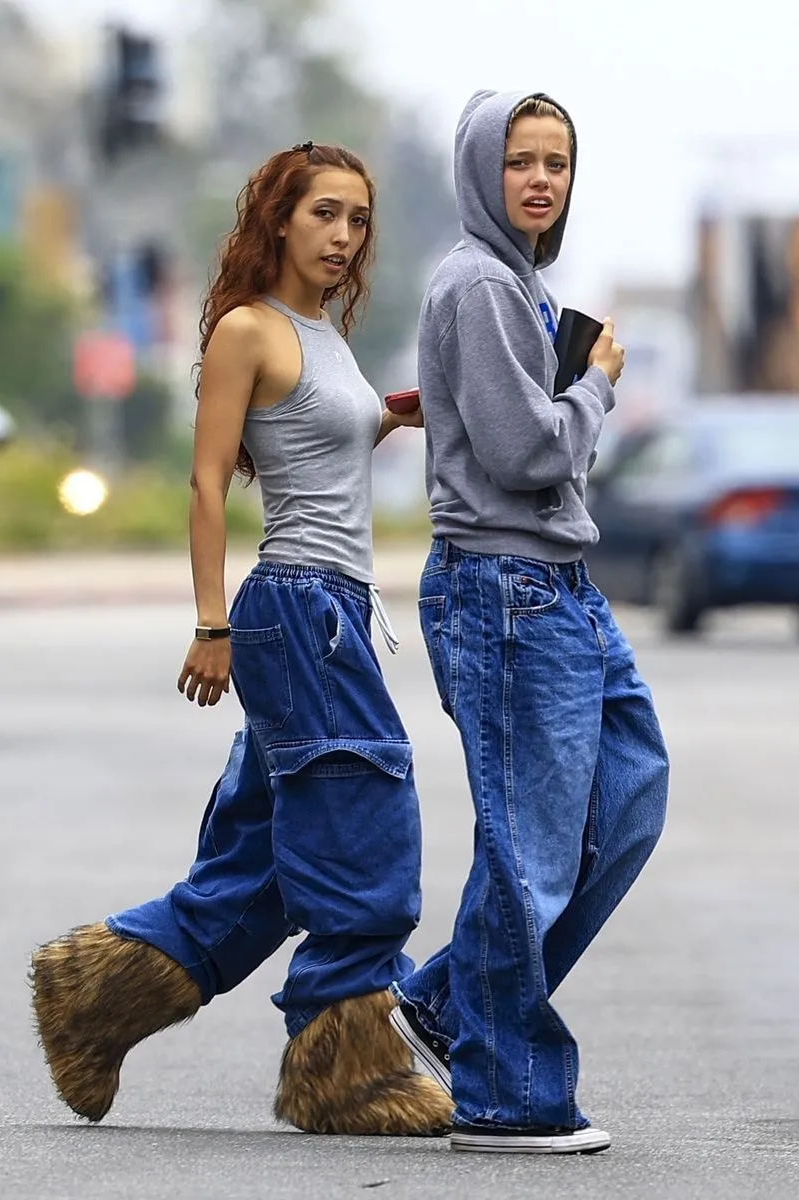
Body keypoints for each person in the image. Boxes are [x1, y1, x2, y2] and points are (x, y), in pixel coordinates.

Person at [29, 142, 452, 1138]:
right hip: (297, 610)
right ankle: (343, 1071)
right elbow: (207, 480)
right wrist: (210, 622)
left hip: (333, 608)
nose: (343, 237)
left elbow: (312, 445)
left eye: (356, 220)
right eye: (323, 215)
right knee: (364, 818)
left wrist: (386, 419)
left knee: (262, 860)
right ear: (277, 218)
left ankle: (93, 999)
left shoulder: (320, 334)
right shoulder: (247, 331)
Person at [387, 91, 670, 1155]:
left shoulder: (513, 283)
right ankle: (505, 1090)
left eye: (555, 161)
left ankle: (455, 1002)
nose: (540, 180)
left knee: (629, 796)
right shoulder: (477, 281)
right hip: (505, 593)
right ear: (479, 170)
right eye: (519, 161)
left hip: (558, 585)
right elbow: (528, 457)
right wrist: (595, 386)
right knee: (530, 848)